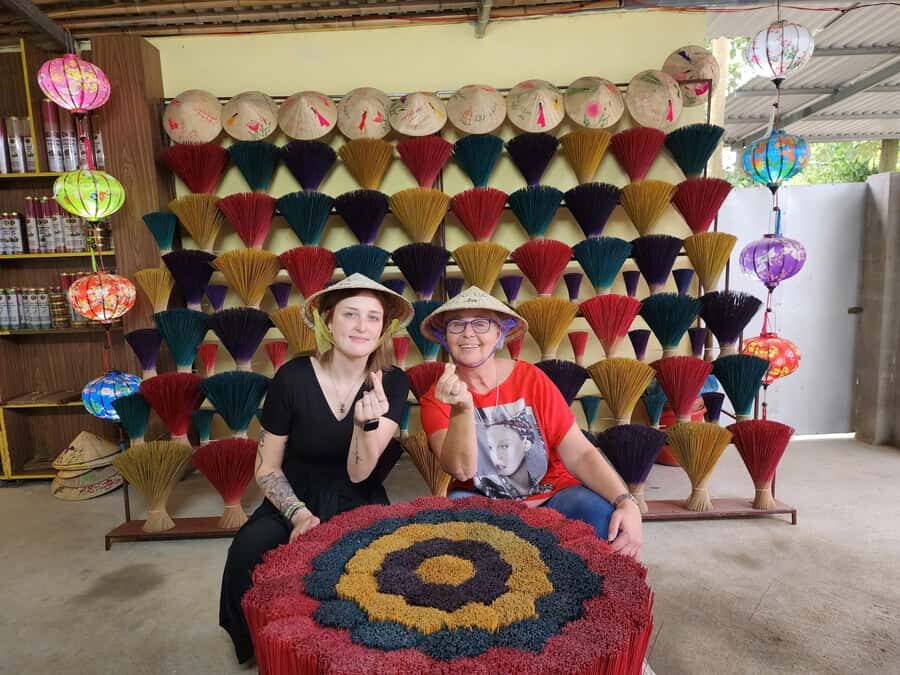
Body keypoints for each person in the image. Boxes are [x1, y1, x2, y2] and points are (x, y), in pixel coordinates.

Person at [219, 274, 413, 664]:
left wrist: (362, 425)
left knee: (374, 572)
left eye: (373, 318)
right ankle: (261, 647)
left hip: (359, 492)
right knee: (246, 550)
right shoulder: (292, 378)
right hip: (296, 490)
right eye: (351, 314)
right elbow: (268, 467)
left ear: (383, 329)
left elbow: (361, 474)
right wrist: (298, 514)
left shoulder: (391, 384)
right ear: (328, 320)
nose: (362, 326)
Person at [418, 286, 643, 558]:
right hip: (482, 503)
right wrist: (462, 409)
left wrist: (625, 501)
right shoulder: (435, 398)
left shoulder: (531, 379)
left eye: (481, 323)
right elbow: (461, 470)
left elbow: (581, 453)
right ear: (445, 337)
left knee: (608, 523)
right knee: (455, 539)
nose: (468, 333)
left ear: (499, 334)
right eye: (457, 325)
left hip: (554, 496)